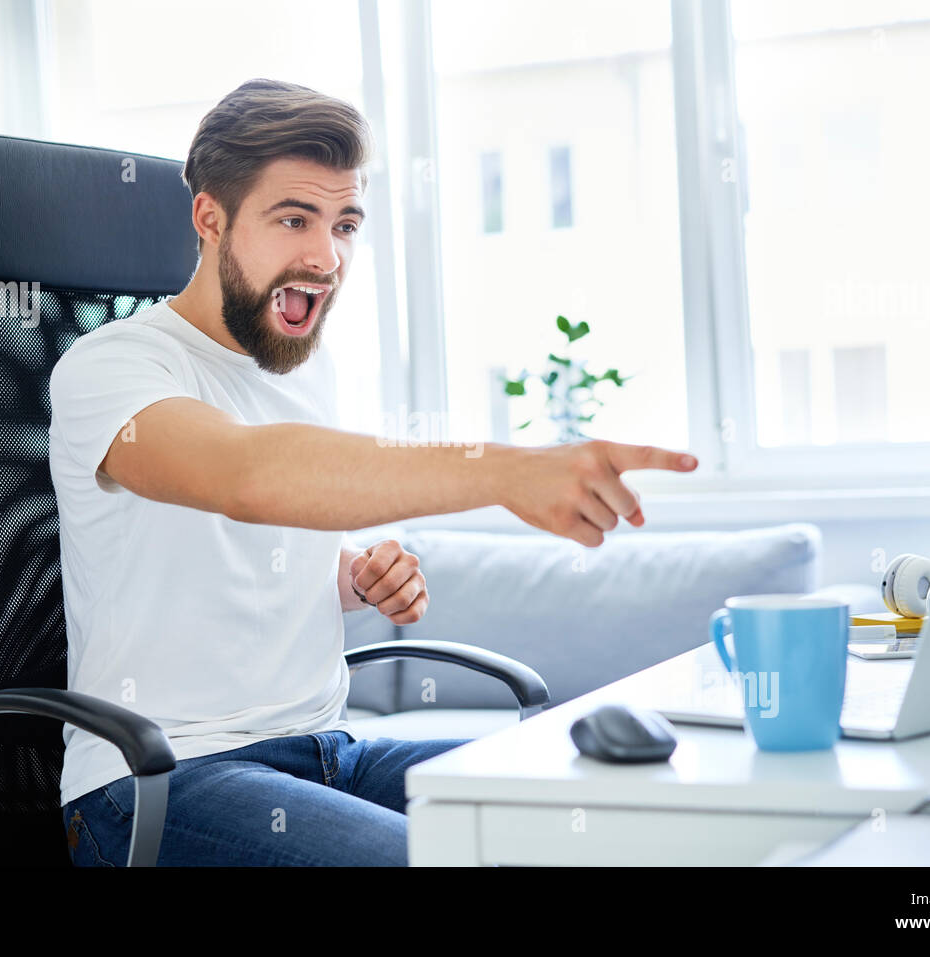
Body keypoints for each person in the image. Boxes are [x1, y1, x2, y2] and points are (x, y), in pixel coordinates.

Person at [49, 77, 698, 866]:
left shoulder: (303, 373)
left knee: (614, 811)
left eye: (344, 223)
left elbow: (240, 554)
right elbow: (243, 475)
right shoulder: (112, 365)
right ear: (209, 218)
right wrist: (502, 471)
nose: (326, 257)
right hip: (157, 782)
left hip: (330, 756)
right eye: (295, 219)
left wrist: (354, 577)